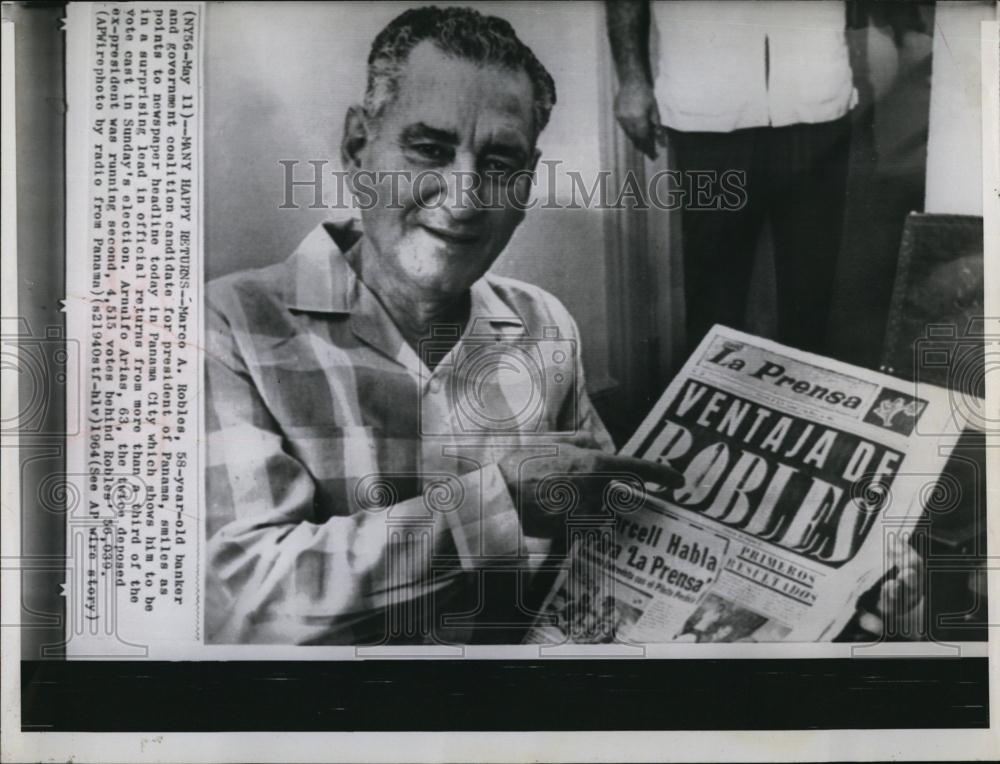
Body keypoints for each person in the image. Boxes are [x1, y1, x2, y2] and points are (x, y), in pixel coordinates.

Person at [206, 5, 917, 645]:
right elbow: (240, 602)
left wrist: (830, 592)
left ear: (528, 181)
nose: (463, 197)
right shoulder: (229, 326)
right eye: (428, 149)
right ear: (358, 145)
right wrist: (500, 503)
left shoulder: (544, 326)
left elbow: (615, 547)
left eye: (500, 162)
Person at [607, 0, 855, 355]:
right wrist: (631, 77)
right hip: (710, 104)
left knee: (811, 297)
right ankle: (707, 405)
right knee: (714, 299)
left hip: (816, 97)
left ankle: (801, 408)